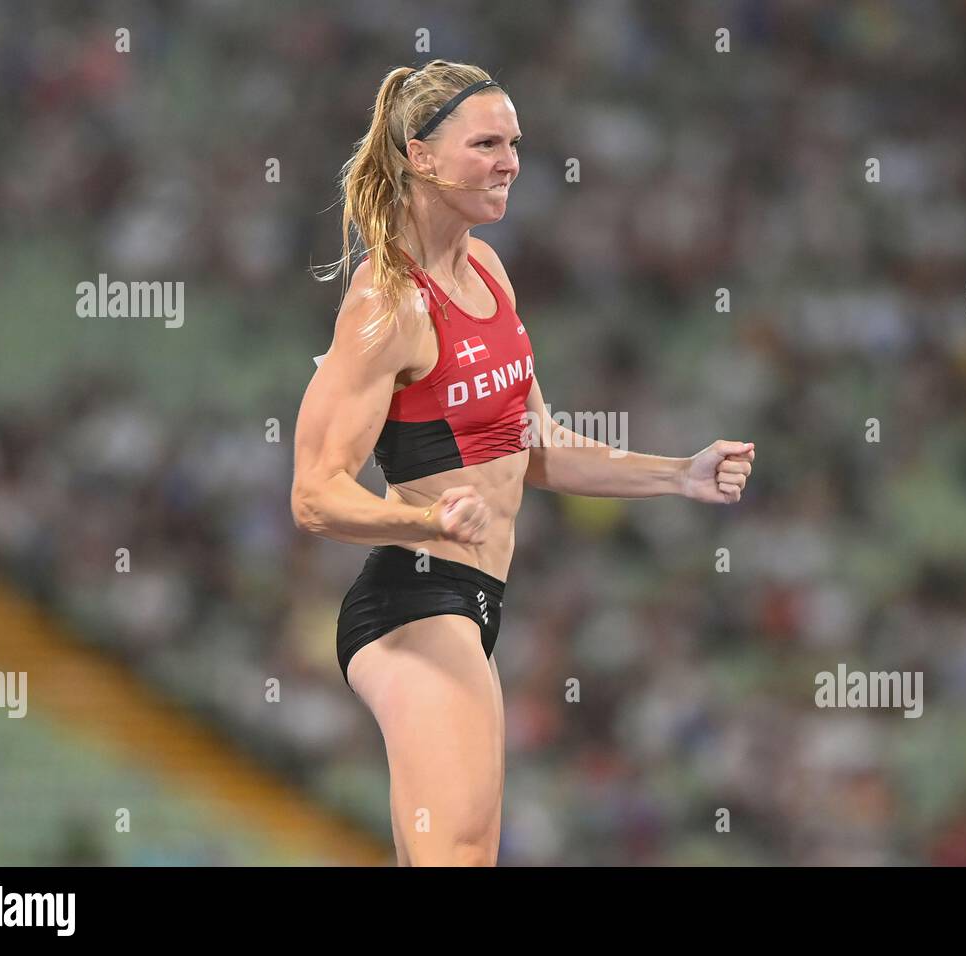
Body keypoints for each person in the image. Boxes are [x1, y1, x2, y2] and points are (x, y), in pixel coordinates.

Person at [291, 60, 755, 866]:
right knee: (460, 855)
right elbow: (313, 494)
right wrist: (422, 518)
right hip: (415, 600)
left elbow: (534, 446)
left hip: (471, 600)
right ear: (420, 155)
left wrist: (677, 472)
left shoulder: (489, 275)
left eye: (515, 143)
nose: (510, 161)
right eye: (486, 143)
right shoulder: (388, 301)